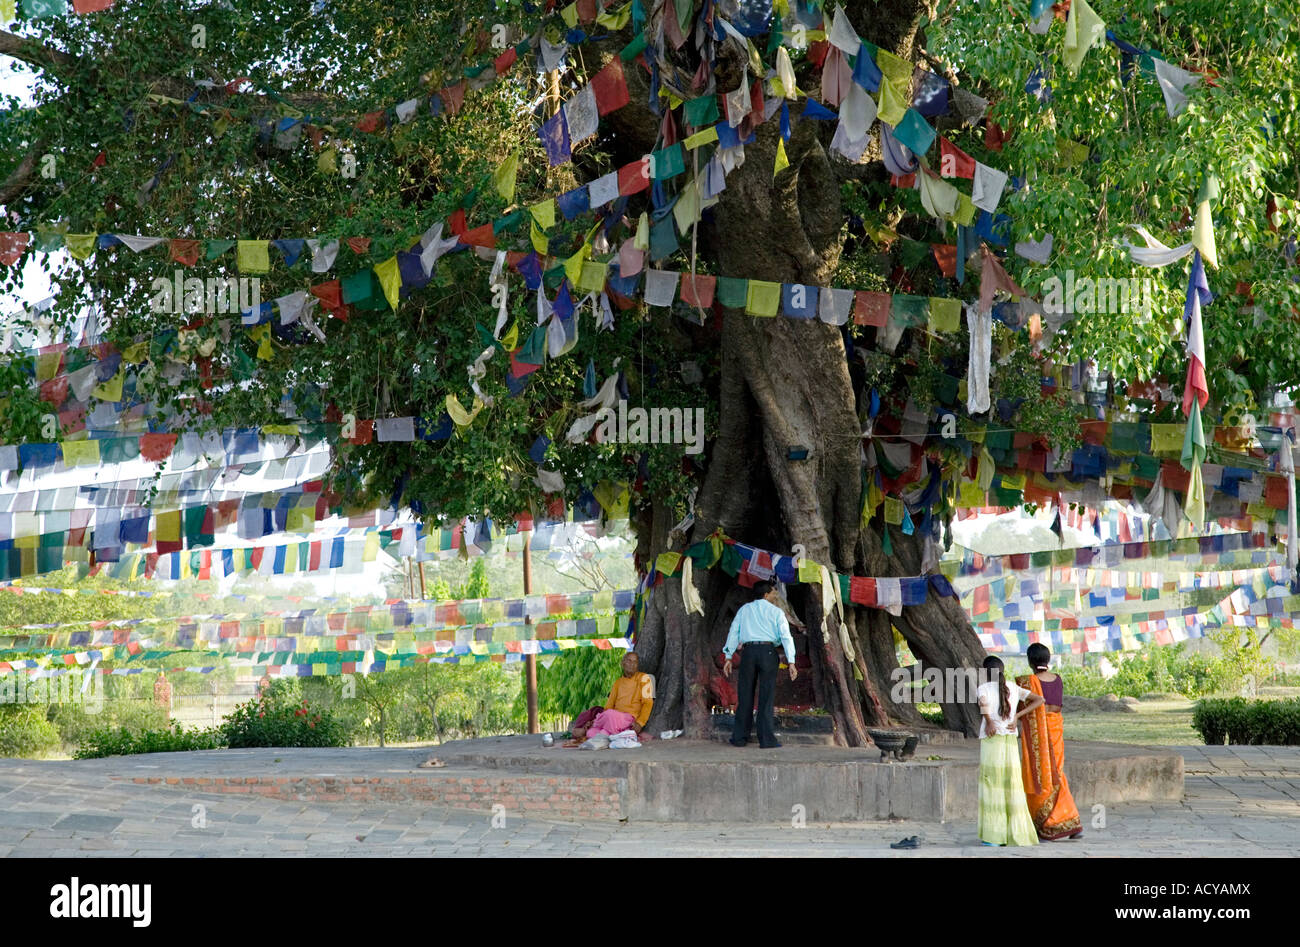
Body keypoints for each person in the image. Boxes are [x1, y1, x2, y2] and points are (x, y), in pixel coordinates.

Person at [1016, 643, 1083, 840]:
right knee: (1057, 773)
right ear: (1048, 659)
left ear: (1030, 661)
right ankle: (1071, 821)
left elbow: (1022, 708)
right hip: (1056, 728)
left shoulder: (1028, 682)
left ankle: (1050, 822)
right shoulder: (1058, 680)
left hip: (1041, 731)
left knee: (1043, 775)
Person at [723, 580, 797, 749]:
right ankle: (766, 740)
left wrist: (728, 656)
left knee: (745, 695)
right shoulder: (777, 612)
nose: (775, 594)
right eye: (773, 592)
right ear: (766, 595)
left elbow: (734, 631)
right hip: (768, 652)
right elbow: (786, 636)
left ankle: (740, 738)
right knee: (766, 696)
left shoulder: (744, 610)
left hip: (748, 653)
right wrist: (791, 661)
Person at [976, 655, 1041, 847]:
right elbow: (1039, 699)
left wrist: (988, 722)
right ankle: (1016, 833)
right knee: (1011, 784)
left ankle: (993, 837)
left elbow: (983, 705)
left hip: (992, 740)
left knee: (992, 785)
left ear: (986, 672)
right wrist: (1017, 718)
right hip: (1010, 741)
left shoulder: (983, 688)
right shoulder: (1013, 687)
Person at [569, 652, 654, 742]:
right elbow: (609, 705)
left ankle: (593, 726)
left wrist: (640, 723)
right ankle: (615, 734)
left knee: (609, 715)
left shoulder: (644, 678)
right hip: (613, 721)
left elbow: (648, 703)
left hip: (628, 720)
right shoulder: (618, 682)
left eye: (635, 662)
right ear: (623, 663)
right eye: (629, 661)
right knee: (592, 732)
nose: (632, 664)